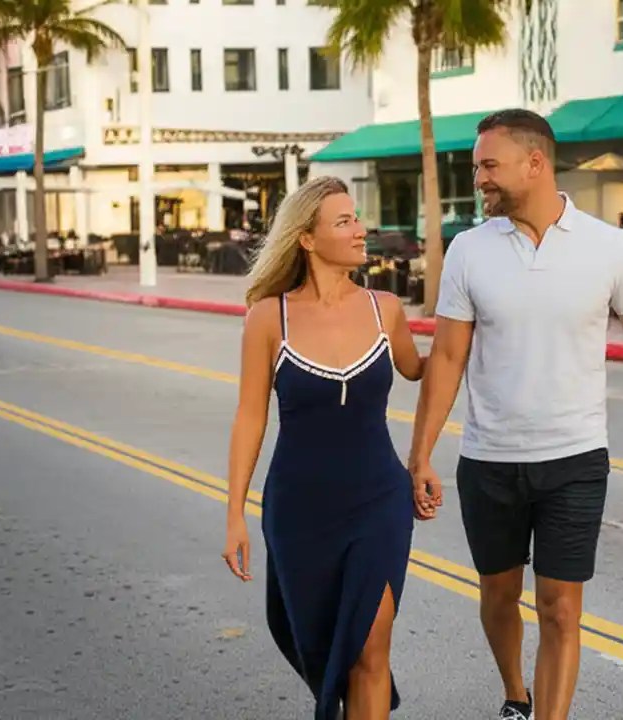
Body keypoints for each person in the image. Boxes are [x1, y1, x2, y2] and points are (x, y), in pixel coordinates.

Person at [407, 109, 623, 720]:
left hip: (575, 458)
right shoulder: (468, 250)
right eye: (477, 166)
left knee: (561, 608)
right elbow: (450, 355)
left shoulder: (611, 248)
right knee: (498, 597)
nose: (479, 177)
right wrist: (421, 454)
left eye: (489, 165)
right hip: (489, 460)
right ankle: (516, 693)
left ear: (534, 163)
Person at [223, 176, 425, 720]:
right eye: (344, 222)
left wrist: (474, 331)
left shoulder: (386, 310)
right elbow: (249, 416)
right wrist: (235, 513)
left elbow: (424, 370)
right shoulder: (269, 317)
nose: (360, 231)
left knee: (370, 646)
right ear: (307, 239)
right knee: (324, 650)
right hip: (300, 512)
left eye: (357, 219)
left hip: (380, 502)